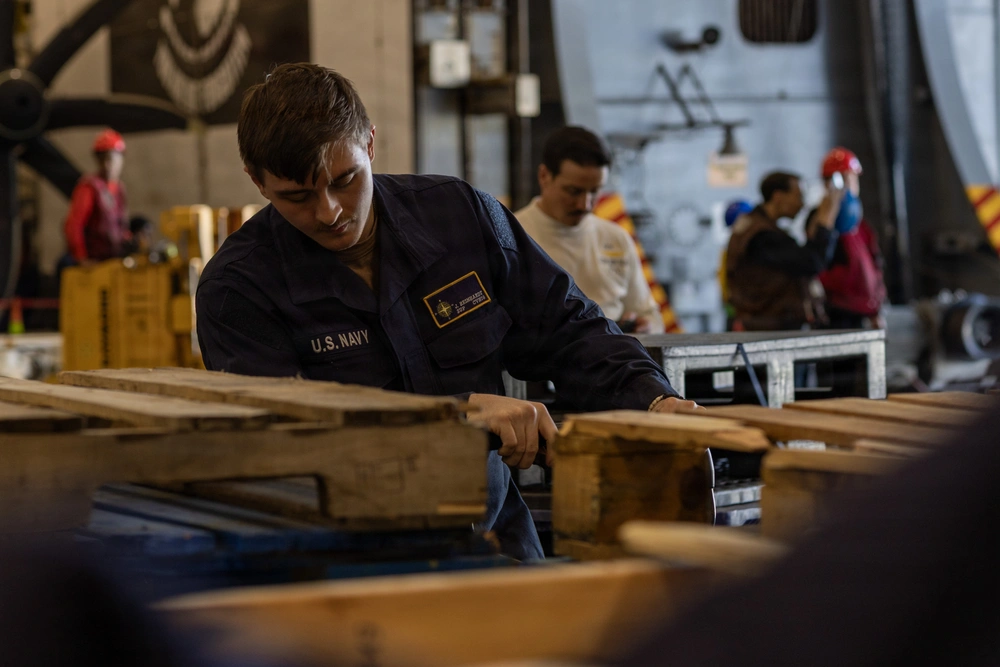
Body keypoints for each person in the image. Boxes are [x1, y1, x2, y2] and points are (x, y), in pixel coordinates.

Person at [195, 64, 699, 560]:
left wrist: (654, 400)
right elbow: (285, 437)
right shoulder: (237, 289)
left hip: (492, 530)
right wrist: (456, 412)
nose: (329, 212)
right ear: (256, 181)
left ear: (370, 144)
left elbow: (565, 326)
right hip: (346, 556)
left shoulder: (457, 215)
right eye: (297, 197)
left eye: (345, 179)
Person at [514, 127, 664, 334]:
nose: (584, 204)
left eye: (594, 191)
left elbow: (650, 315)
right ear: (544, 176)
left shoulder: (616, 238)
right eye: (573, 191)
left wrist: (647, 326)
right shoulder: (511, 237)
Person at [725, 171, 841, 331]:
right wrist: (826, 218)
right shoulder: (761, 237)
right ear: (778, 196)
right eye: (798, 196)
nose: (802, 204)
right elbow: (812, 262)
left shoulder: (753, 226)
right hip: (765, 330)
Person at [806, 148, 887, 329]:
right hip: (836, 313)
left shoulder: (859, 223)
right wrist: (828, 214)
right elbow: (815, 260)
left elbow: (871, 266)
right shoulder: (819, 221)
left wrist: (875, 310)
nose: (854, 184)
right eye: (850, 178)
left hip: (863, 311)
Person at [63, 129, 130, 264]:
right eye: (102, 159)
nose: (107, 164)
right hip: (94, 262)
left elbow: (120, 226)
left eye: (111, 158)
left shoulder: (119, 189)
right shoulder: (89, 187)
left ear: (121, 158)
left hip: (114, 260)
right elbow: (73, 225)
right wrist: (81, 257)